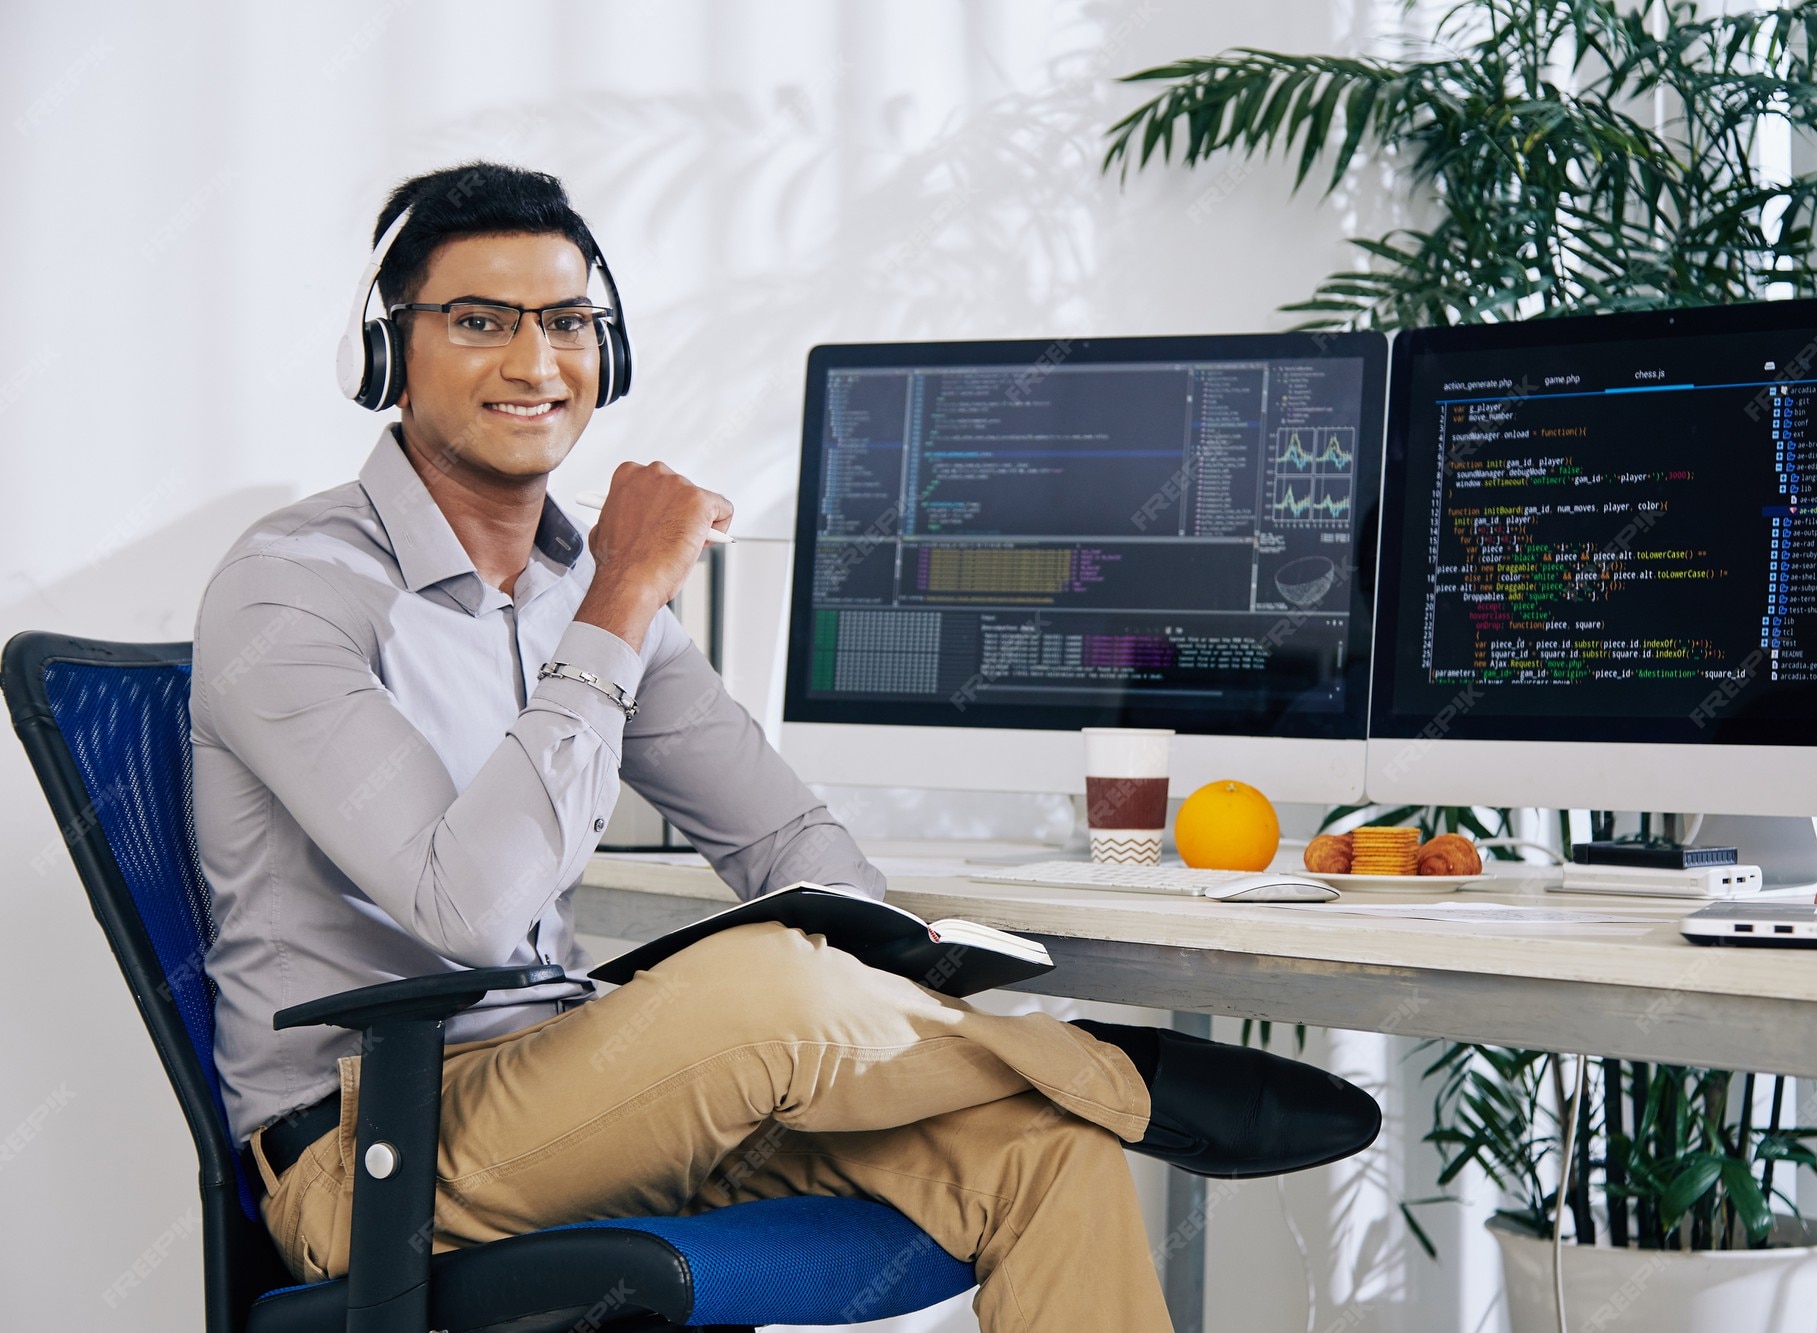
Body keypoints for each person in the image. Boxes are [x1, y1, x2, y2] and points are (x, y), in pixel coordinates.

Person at [192, 162, 1378, 1332]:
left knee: (1040, 1150)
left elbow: (784, 836)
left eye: (566, 322)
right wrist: (621, 602)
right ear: (386, 356)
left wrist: (868, 973)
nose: (533, 362)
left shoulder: (583, 587)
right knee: (753, 982)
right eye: (478, 321)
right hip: (374, 1159)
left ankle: (1068, 1085)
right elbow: (466, 912)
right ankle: (1091, 1062)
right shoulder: (292, 592)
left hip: (606, 1105)